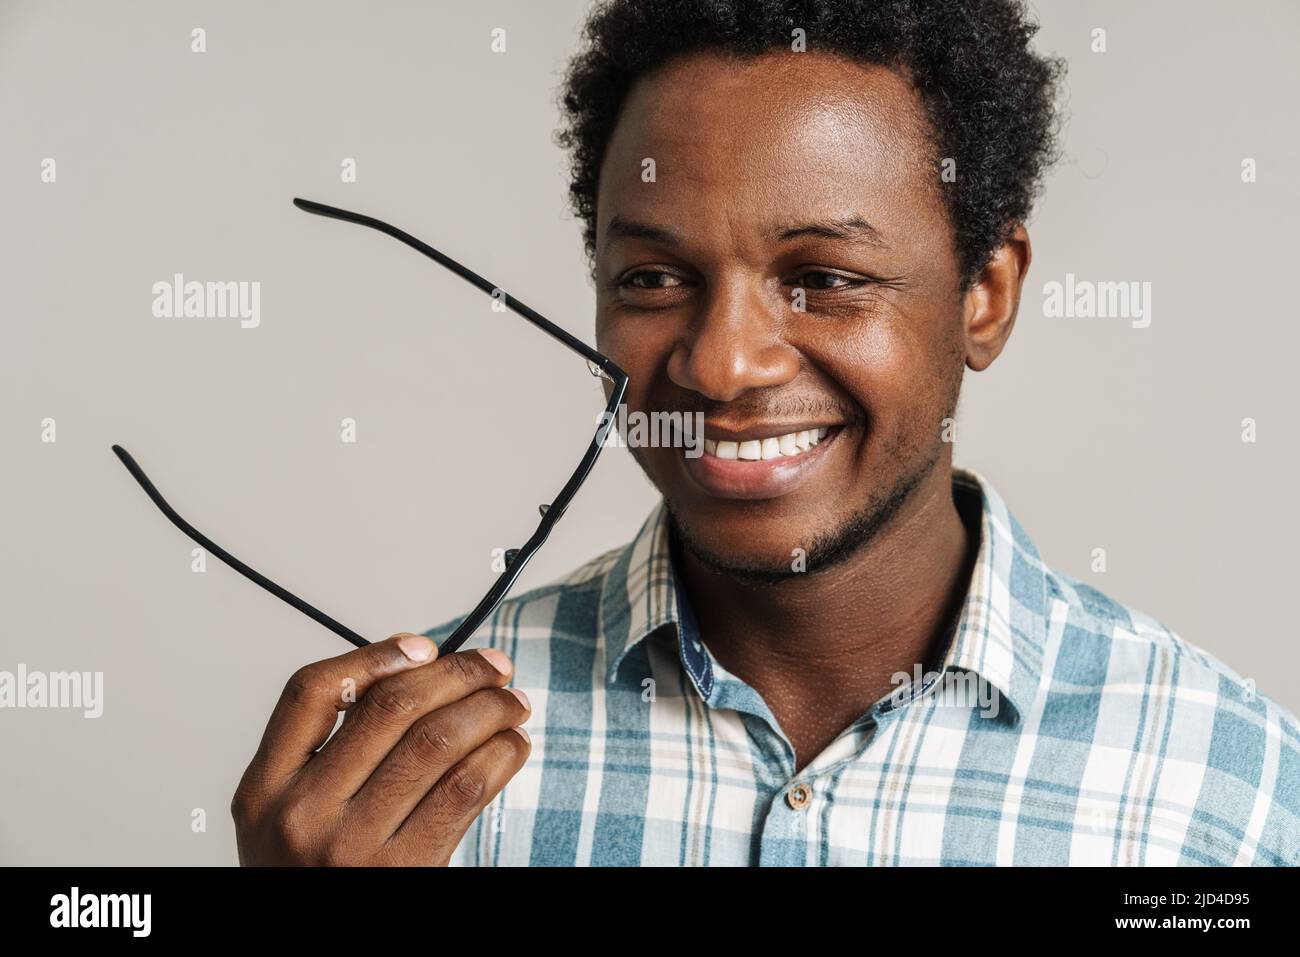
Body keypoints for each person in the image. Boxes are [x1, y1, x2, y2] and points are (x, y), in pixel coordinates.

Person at [231, 0, 1300, 866]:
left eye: (823, 279)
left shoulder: (1222, 788)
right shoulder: (405, 787)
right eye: (654, 277)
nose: (720, 364)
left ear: (985, 294)